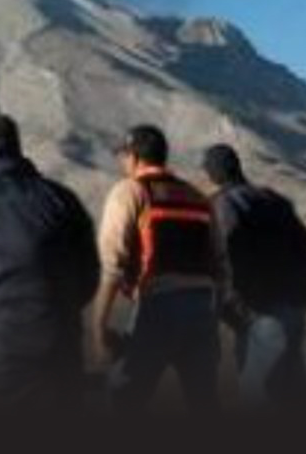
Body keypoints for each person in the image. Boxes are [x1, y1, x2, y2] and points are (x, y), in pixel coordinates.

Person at [0, 114, 100, 408]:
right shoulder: (60, 199)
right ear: (17, 146)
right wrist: (60, 310)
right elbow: (89, 272)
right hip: (58, 344)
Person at [91, 124, 228, 410]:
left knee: (122, 398)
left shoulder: (130, 191)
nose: (122, 162)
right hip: (202, 308)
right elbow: (220, 264)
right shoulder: (197, 197)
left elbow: (112, 264)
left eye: (123, 155)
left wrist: (98, 326)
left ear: (135, 157)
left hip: (158, 306)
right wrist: (211, 313)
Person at [201, 143, 306, 410]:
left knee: (260, 400)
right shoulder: (274, 200)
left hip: (261, 316)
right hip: (293, 312)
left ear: (212, 174)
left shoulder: (223, 206)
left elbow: (225, 255)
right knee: (293, 399)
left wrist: (238, 313)